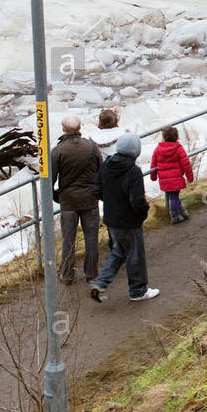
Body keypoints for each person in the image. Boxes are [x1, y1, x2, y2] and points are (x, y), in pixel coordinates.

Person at [89, 133, 159, 303]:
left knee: (119, 251)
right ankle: (138, 290)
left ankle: (100, 282)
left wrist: (112, 201)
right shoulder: (133, 171)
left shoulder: (107, 165)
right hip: (129, 220)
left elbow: (96, 190)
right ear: (135, 150)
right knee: (135, 254)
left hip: (112, 218)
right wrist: (143, 212)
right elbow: (137, 200)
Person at [50, 115, 102, 284]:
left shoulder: (58, 151)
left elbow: (50, 179)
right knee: (91, 238)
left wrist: (55, 196)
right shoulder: (92, 147)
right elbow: (101, 172)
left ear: (63, 128)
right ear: (80, 127)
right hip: (90, 199)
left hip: (68, 202)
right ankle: (91, 272)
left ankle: (67, 274)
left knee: (68, 240)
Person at [149, 126, 193, 224]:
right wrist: (190, 176)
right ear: (177, 137)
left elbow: (153, 164)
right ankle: (175, 216)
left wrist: (153, 176)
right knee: (174, 197)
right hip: (176, 178)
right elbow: (186, 164)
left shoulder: (158, 149)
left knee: (173, 197)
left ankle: (181, 213)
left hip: (164, 179)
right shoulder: (178, 148)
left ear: (163, 137)